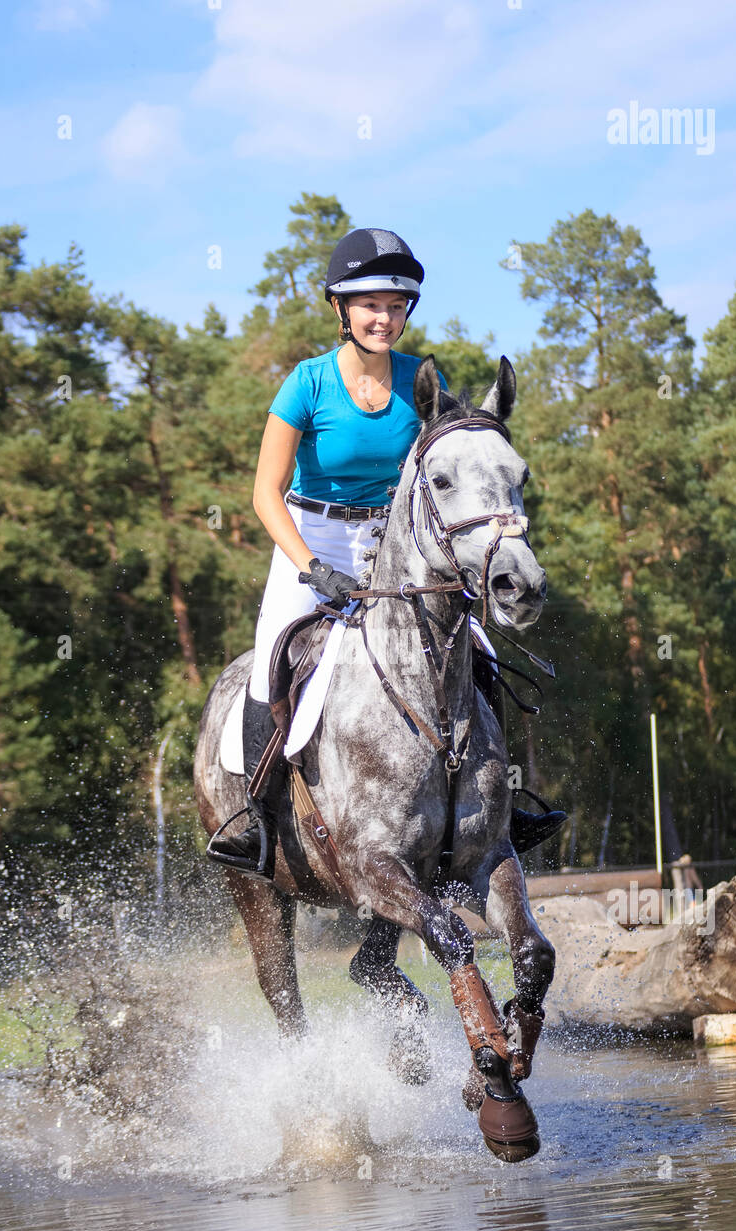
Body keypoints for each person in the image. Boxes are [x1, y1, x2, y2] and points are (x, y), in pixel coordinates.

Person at [209, 228, 564, 879]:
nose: (384, 318)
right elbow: (265, 493)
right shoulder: (307, 383)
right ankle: (253, 819)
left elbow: (450, 469)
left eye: (395, 306)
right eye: (370, 304)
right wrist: (310, 567)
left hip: (395, 543)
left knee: (476, 649)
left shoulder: (422, 382)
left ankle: (496, 807)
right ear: (342, 310)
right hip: (310, 538)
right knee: (273, 663)